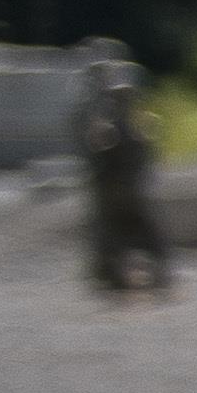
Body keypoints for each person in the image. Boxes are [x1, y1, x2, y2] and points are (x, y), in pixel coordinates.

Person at [73, 51, 168, 297]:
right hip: (114, 190)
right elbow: (97, 153)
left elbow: (144, 156)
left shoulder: (130, 127)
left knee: (139, 232)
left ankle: (154, 272)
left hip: (125, 189)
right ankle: (109, 273)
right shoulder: (109, 125)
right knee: (112, 235)